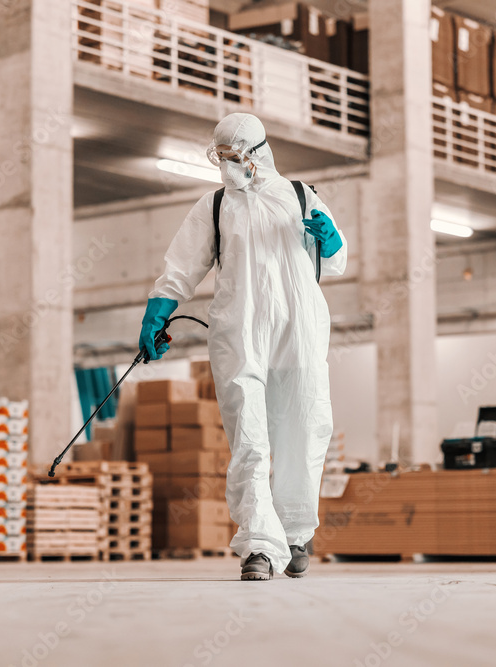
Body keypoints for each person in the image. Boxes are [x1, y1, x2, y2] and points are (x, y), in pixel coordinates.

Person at [137, 113, 347, 581]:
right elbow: (181, 265)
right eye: (222, 157)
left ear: (257, 154)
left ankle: (294, 533)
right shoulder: (215, 207)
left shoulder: (299, 196)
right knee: (249, 438)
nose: (228, 166)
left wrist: (330, 243)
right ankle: (258, 544)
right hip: (239, 332)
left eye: (235, 157)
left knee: (305, 429)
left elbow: (336, 262)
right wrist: (158, 311)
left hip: (300, 331)